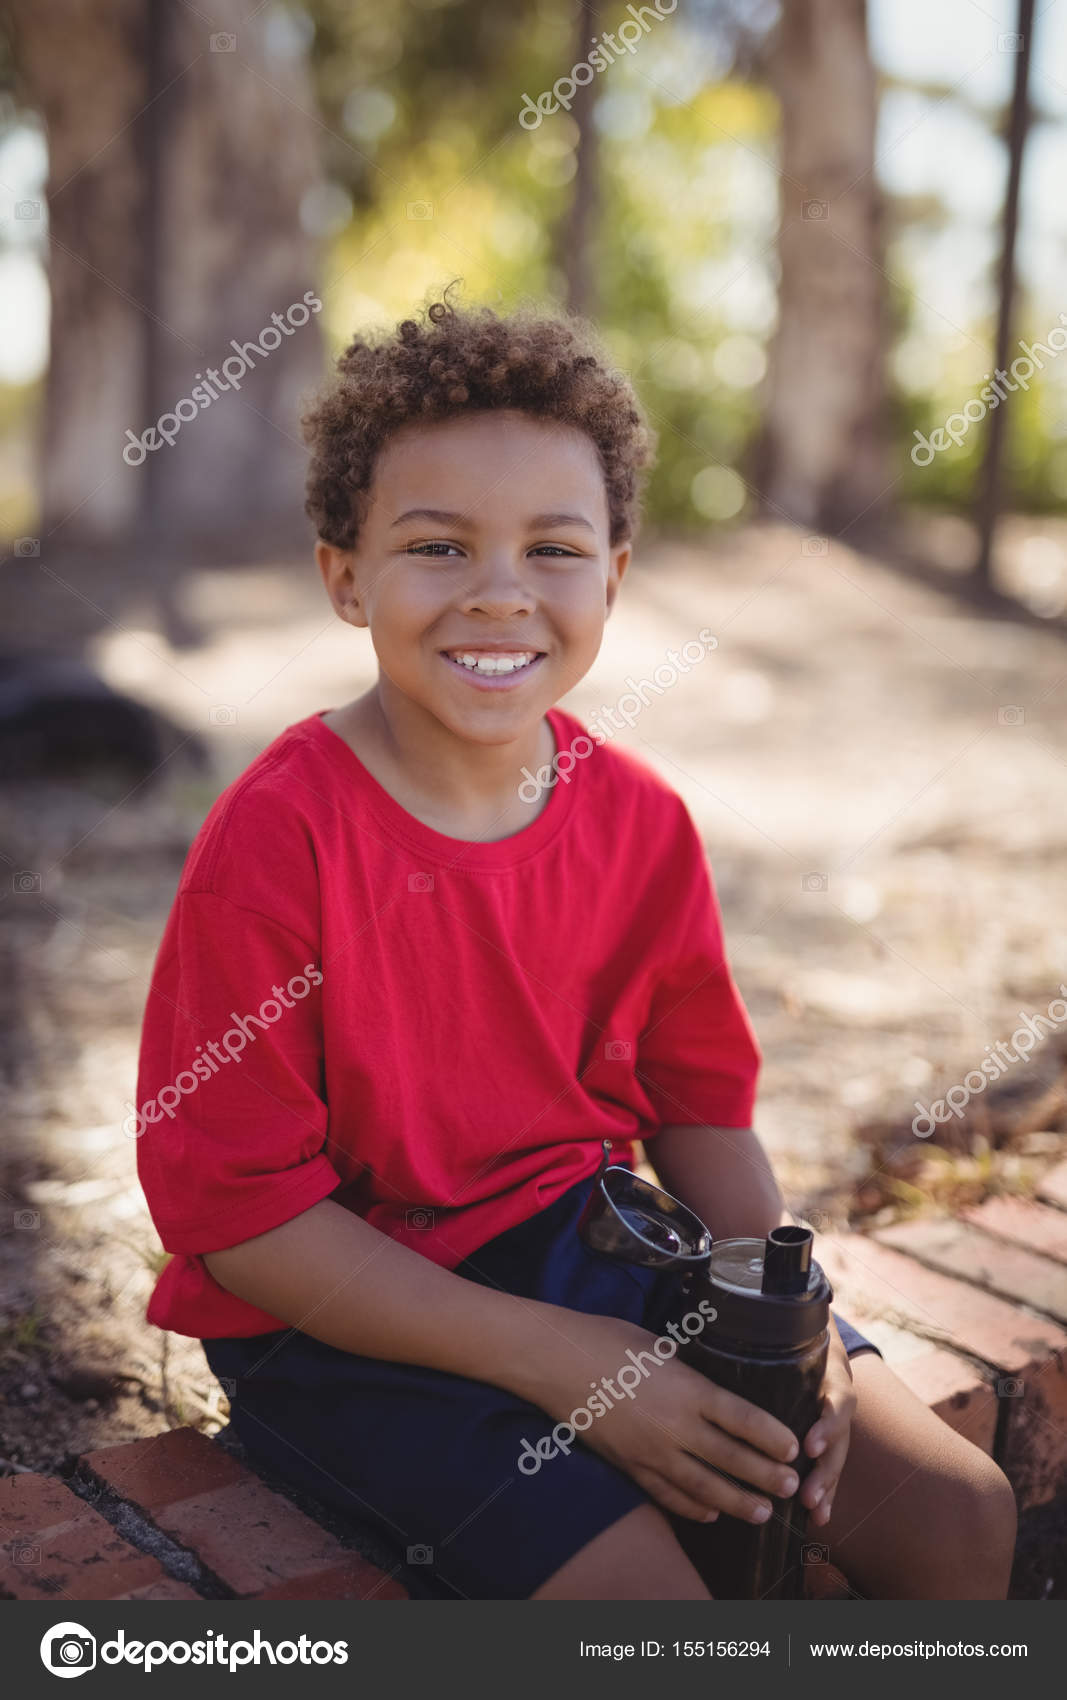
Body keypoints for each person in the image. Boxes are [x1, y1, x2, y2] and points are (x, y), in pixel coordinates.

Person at [134, 293, 1016, 1602]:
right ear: (344, 576)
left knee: (956, 1517)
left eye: (553, 547)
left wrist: (791, 1320)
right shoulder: (279, 838)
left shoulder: (644, 825)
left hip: (583, 1245)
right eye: (436, 546)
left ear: (612, 574)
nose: (500, 592)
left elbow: (702, 1117)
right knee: (647, 1612)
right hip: (337, 1323)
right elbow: (246, 1222)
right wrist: (573, 1373)